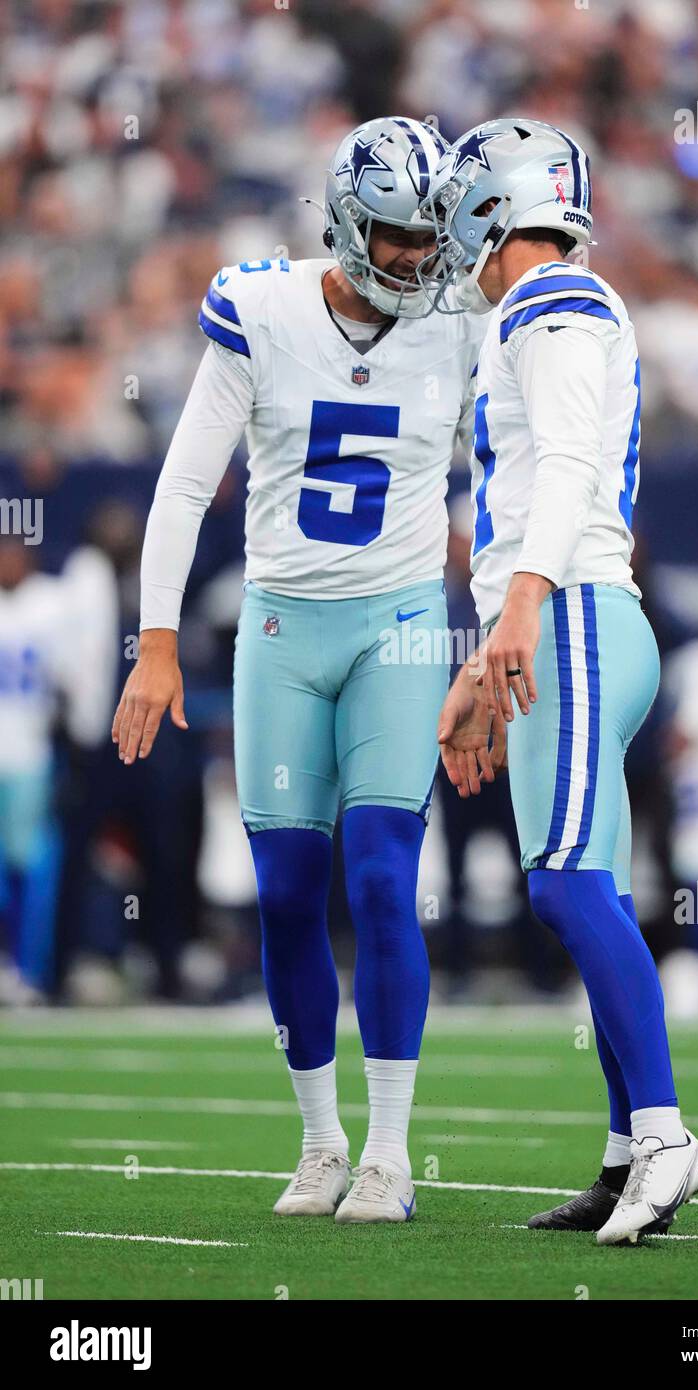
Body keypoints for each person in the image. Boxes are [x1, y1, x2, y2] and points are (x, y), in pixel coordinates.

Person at [112, 117, 486, 1225]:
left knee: (377, 878)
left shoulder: (466, 321)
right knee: (282, 895)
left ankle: (388, 1149)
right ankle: (318, 1140)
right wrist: (157, 638)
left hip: (404, 626)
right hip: (281, 623)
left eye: (428, 236)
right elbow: (184, 485)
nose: (415, 257)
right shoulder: (262, 309)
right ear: (339, 217)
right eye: (392, 234)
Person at [432, 118, 698, 1244]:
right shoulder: (548, 305)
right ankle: (621, 1150)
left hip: (577, 618)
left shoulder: (551, 300)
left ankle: (661, 1135)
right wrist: (483, 652)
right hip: (566, 618)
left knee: (558, 885)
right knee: (582, 883)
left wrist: (515, 614)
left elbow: (562, 467)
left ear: (496, 203)